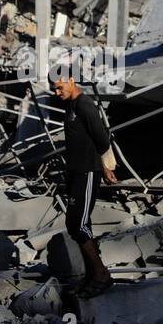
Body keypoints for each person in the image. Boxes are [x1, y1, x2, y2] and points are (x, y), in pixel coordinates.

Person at [48, 68, 117, 297]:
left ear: (71, 80)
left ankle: (101, 275)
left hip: (88, 172)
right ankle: (91, 275)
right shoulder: (70, 105)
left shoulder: (85, 105)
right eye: (54, 89)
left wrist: (105, 166)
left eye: (60, 87)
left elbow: (102, 139)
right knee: (76, 224)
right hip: (75, 172)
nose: (58, 93)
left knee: (78, 224)